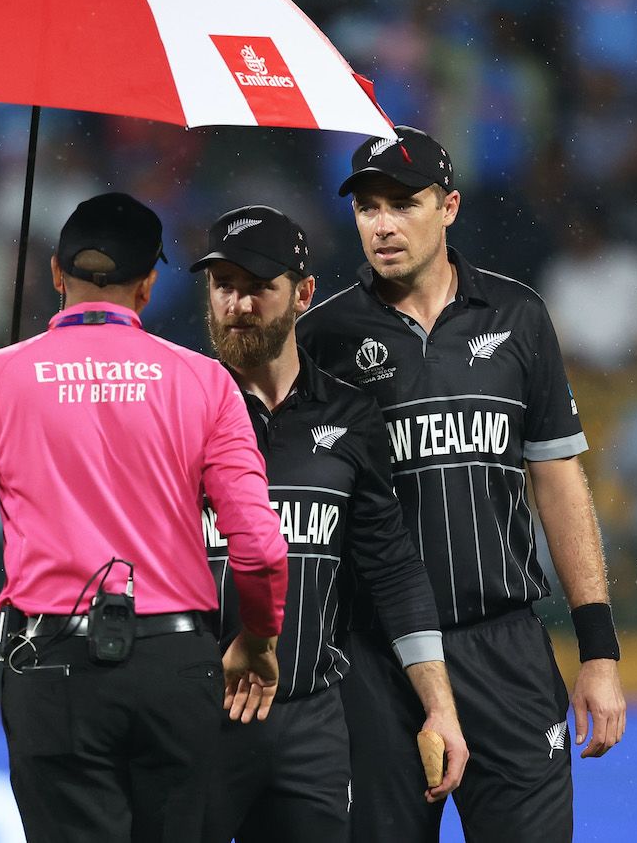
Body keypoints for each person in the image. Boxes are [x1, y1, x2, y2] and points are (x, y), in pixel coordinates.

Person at [0, 192, 290, 843]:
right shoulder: (206, 382)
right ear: (149, 282)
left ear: (57, 274)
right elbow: (259, 549)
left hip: (52, 666)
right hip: (174, 664)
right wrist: (257, 639)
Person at [296, 126, 628, 841]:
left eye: (402, 203)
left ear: (448, 206)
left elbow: (561, 484)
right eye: (366, 208)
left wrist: (598, 650)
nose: (381, 224)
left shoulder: (518, 317)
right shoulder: (323, 337)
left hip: (504, 646)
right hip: (375, 660)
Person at [192, 205, 467, 842]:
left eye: (259, 285)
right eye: (223, 285)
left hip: (312, 722)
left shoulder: (350, 416)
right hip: (197, 717)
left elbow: (393, 570)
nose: (238, 303)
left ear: (304, 292)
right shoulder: (178, 411)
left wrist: (439, 706)